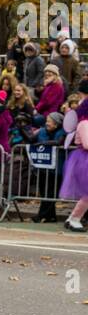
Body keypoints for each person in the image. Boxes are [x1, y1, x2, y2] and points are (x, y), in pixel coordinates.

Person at [29, 111, 65, 223]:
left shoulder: (62, 132)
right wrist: (21, 128)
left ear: (56, 123)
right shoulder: (42, 130)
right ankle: (51, 217)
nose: (47, 123)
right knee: (44, 193)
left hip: (57, 169)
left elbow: (58, 142)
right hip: (42, 168)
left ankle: (40, 215)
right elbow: (30, 139)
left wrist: (43, 143)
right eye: (47, 120)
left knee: (51, 193)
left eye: (49, 121)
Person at [60, 96, 88, 232]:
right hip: (84, 160)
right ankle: (74, 219)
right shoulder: (84, 124)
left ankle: (73, 218)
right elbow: (87, 144)